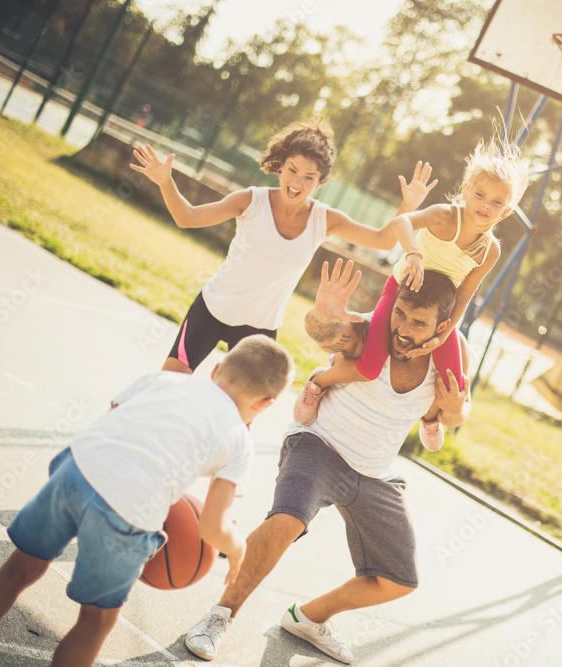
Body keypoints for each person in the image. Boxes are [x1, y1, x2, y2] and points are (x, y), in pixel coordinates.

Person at [0, 336, 295, 667]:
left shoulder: (164, 379)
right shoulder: (239, 441)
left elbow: (115, 426)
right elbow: (212, 526)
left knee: (19, 569)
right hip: (128, 511)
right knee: (96, 620)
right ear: (265, 404)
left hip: (76, 470)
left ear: (215, 369)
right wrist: (238, 548)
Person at [183, 259, 471, 664]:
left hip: (374, 471)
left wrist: (454, 410)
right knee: (287, 520)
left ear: (442, 327)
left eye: (418, 323)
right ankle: (220, 614)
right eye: (400, 314)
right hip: (321, 445)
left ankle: (309, 618)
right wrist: (324, 311)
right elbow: (327, 335)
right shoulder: (373, 330)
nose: (403, 330)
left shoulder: (453, 356)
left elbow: (455, 415)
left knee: (400, 579)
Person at [129, 117, 437, 375]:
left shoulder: (323, 219)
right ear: (281, 166)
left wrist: (408, 203)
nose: (297, 182)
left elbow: (382, 239)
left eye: (309, 177)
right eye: (292, 170)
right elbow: (188, 217)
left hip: (259, 328)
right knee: (167, 384)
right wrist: (165, 181)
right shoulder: (250, 200)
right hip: (212, 309)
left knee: (240, 409)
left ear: (320, 182)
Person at [293, 138, 529, 451]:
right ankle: (318, 382)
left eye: (497, 203)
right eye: (480, 194)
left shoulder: (491, 250)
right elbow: (403, 221)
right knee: (369, 368)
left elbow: (465, 295)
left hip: (439, 312)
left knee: (452, 384)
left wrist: (445, 334)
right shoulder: (445, 216)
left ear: (507, 210)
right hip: (401, 292)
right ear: (466, 188)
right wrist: (413, 252)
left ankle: (429, 418)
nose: (485, 205)